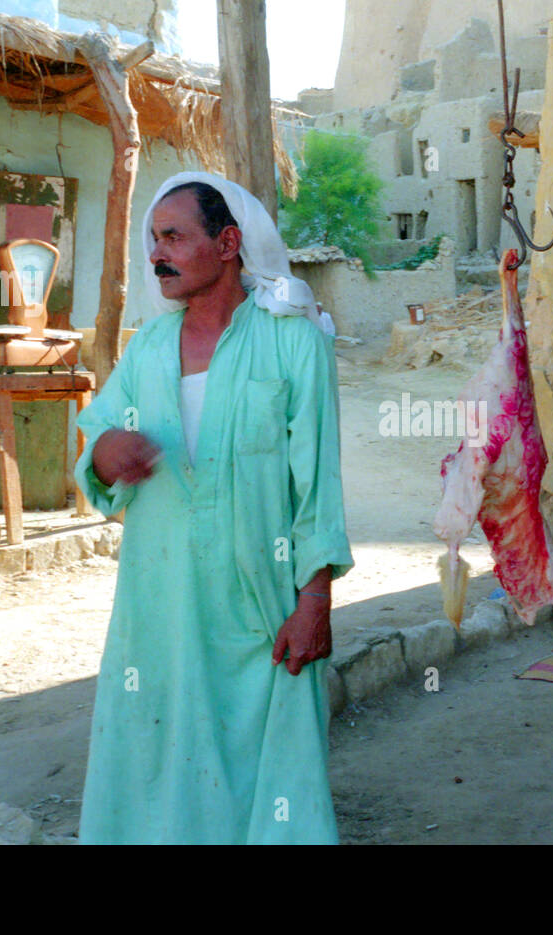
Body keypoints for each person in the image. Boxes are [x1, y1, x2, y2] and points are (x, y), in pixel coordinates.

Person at [73, 172, 353, 844]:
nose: (157, 252)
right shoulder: (146, 351)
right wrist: (108, 451)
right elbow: (99, 442)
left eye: (174, 236)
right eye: (153, 238)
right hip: (160, 610)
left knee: (270, 770)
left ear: (227, 243)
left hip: (261, 607)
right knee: (156, 758)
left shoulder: (293, 341)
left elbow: (318, 484)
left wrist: (314, 600)